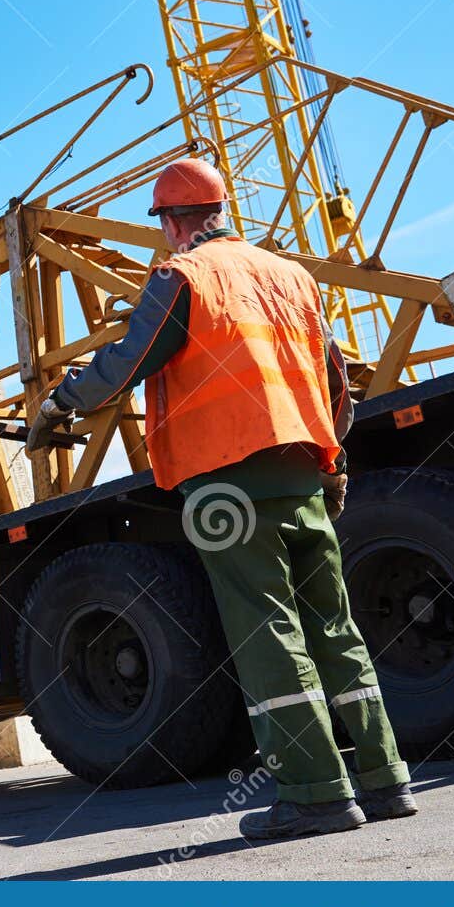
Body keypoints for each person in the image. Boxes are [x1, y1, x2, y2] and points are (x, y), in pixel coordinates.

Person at [36, 157, 417, 840]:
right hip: (303, 471)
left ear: (176, 222)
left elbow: (132, 356)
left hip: (226, 483)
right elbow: (335, 382)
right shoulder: (291, 277)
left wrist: (62, 402)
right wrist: (331, 461)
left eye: (163, 224)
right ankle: (386, 780)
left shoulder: (183, 277)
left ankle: (316, 793)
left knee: (266, 626)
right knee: (333, 623)